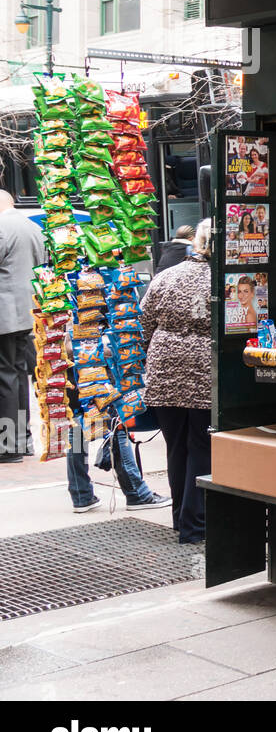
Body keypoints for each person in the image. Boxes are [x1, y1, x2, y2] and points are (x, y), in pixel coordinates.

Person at [142, 217, 214, 544]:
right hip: (202, 368)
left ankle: (178, 519)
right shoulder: (222, 280)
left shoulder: (166, 276)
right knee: (201, 445)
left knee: (175, 447)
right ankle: (194, 526)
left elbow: (143, 322)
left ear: (196, 243)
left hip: (164, 368)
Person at [65, 359, 170, 513]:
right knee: (117, 428)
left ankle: (81, 495)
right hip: (99, 375)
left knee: (77, 429)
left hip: (73, 374)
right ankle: (137, 494)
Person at [0, 190, 46, 461]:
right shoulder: (32, 226)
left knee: (6, 379)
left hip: (5, 315)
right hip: (27, 314)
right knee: (18, 378)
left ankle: (9, 446)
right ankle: (22, 441)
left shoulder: (3, 228)